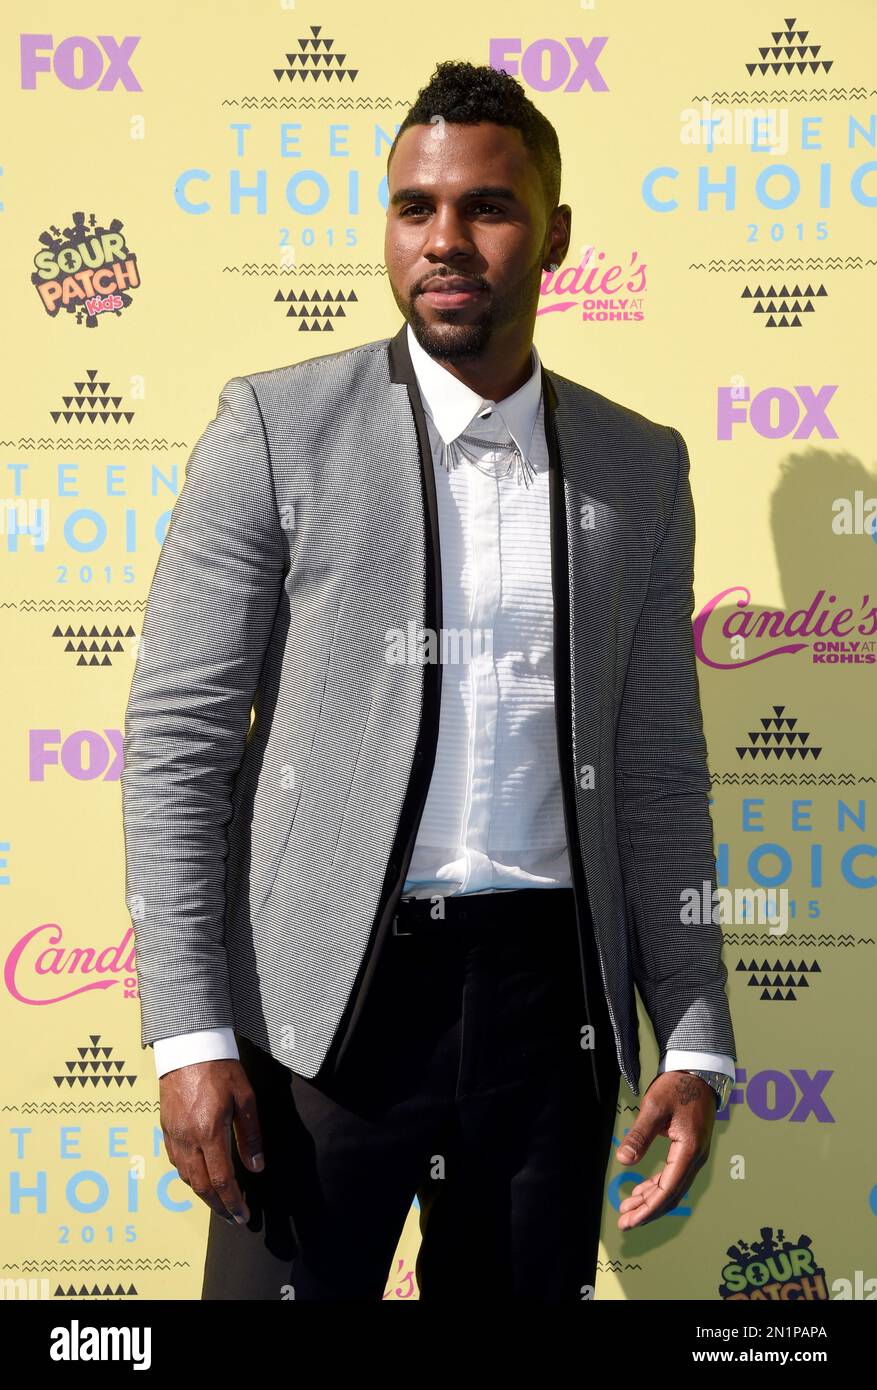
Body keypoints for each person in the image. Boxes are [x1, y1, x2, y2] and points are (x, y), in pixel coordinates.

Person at [121, 60, 736, 1301]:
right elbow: (179, 747)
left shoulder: (638, 467)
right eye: (414, 207)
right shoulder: (276, 429)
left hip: (547, 1014)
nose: (444, 240)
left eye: (486, 208)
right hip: (319, 1021)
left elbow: (659, 770)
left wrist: (696, 1026)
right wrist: (188, 1036)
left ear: (554, 233)